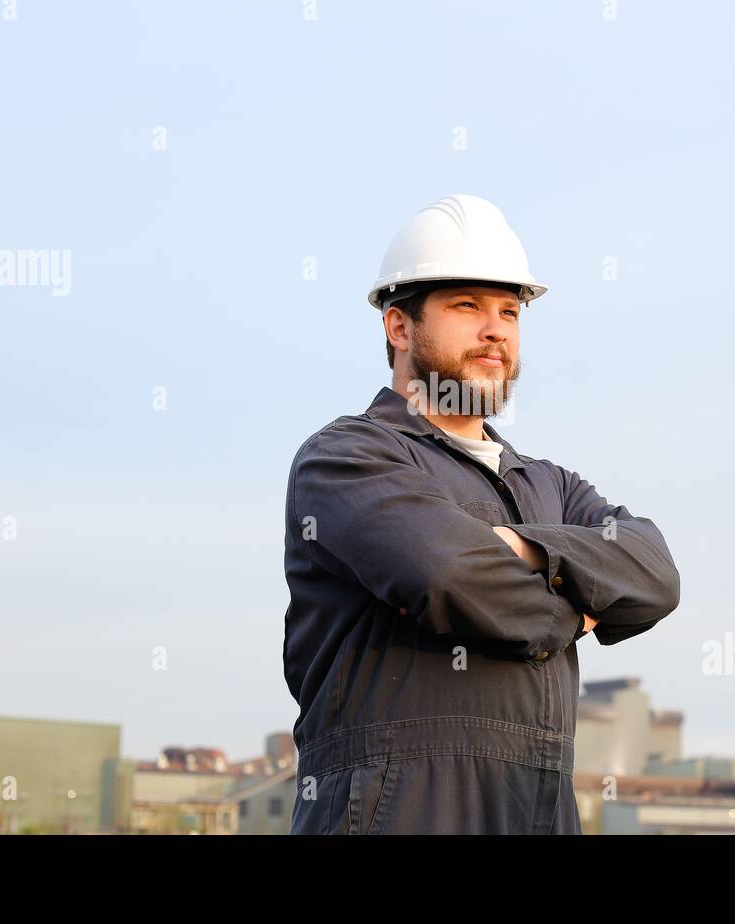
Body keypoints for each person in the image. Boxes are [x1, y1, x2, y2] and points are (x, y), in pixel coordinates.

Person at [283, 193, 680, 833]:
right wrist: (579, 609)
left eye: (509, 310)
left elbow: (656, 573)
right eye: (467, 305)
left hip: (541, 809)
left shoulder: (550, 484)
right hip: (400, 808)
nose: (496, 328)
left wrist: (520, 548)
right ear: (399, 326)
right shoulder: (346, 459)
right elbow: (449, 577)